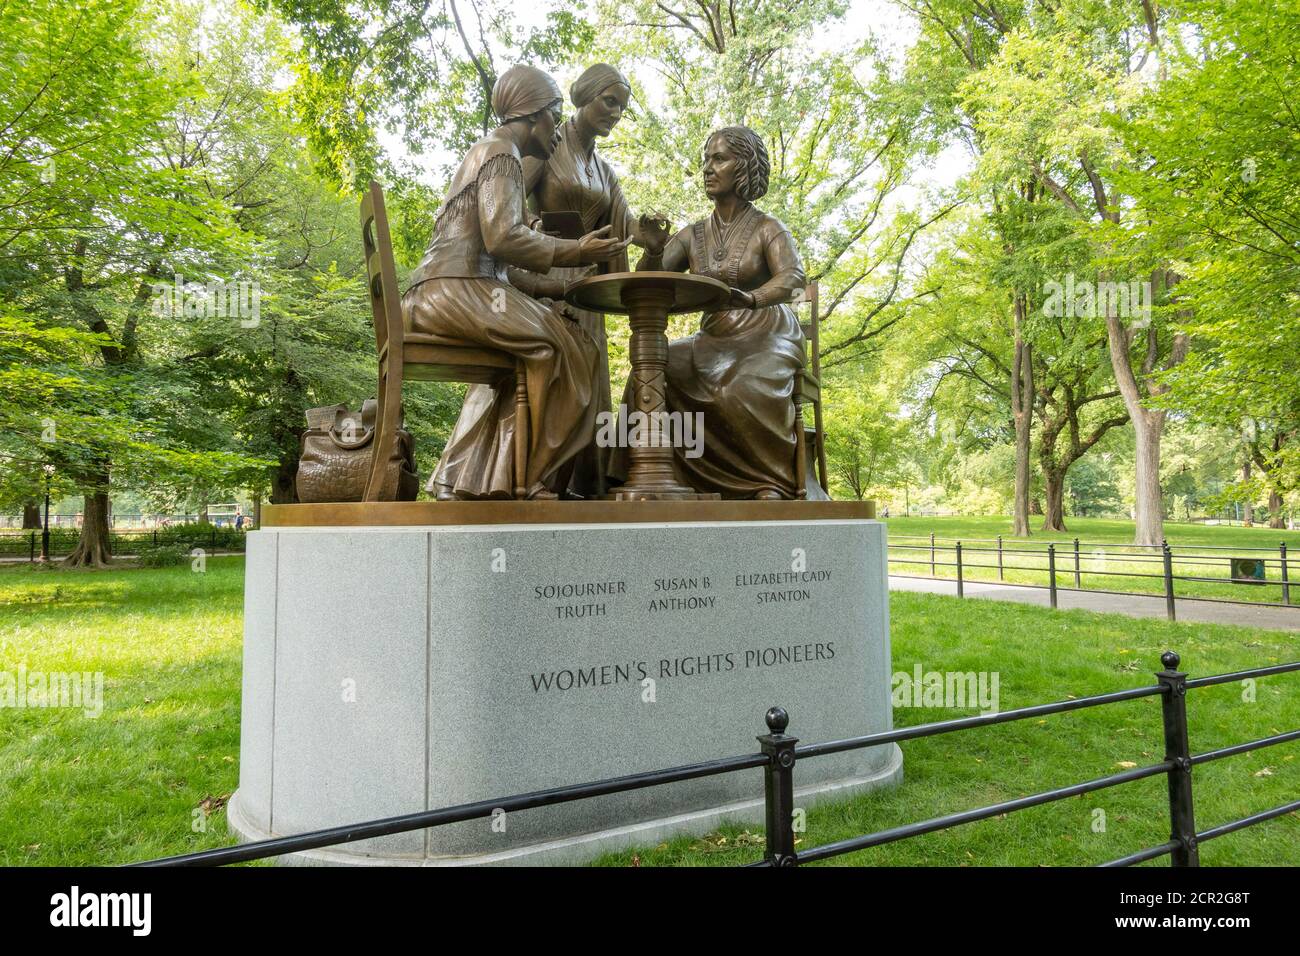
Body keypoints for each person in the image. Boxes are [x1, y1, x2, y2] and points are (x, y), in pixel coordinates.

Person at [407, 65, 629, 500]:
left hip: (463, 286)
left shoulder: (494, 151)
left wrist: (561, 284)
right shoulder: (502, 154)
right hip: (458, 287)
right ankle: (530, 479)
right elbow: (505, 236)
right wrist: (575, 251)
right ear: (536, 115)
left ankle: (513, 477)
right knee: (564, 349)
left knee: (568, 346)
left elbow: (502, 248)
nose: (557, 131)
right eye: (555, 116)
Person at [615, 125, 825, 500]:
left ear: (743, 167)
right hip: (713, 337)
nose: (708, 169)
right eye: (706, 161)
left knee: (738, 388)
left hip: (767, 333)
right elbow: (648, 284)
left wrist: (755, 298)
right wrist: (652, 249)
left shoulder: (768, 228)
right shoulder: (692, 234)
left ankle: (768, 482)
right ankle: (652, 475)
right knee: (652, 369)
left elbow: (793, 279)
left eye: (719, 159)